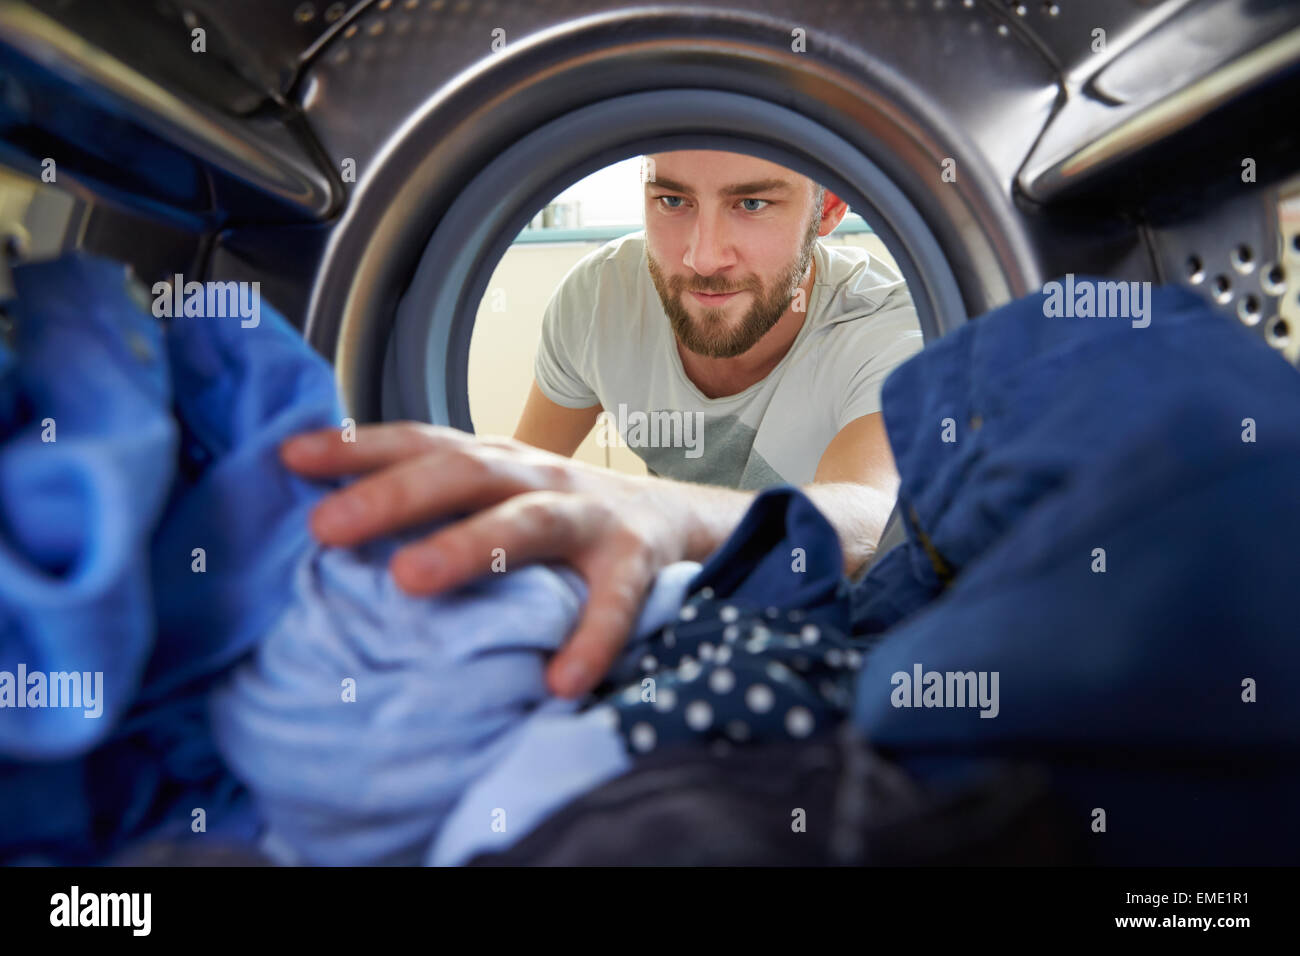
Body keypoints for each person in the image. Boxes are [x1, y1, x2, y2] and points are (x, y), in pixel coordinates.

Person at [279, 151, 923, 702]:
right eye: (672, 199)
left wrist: (662, 512)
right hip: (662, 605)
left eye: (751, 204)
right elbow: (526, 473)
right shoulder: (598, 297)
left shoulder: (884, 327)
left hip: (818, 628)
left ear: (830, 208)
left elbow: (869, 516)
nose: (701, 257)